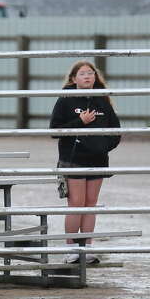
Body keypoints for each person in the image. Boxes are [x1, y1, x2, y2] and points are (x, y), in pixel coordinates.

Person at [50, 61, 121, 264]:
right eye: (82, 74)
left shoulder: (103, 101)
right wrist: (80, 122)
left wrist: (103, 146)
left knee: (90, 204)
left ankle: (87, 248)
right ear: (74, 79)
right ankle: (71, 249)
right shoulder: (65, 101)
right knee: (76, 204)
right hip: (73, 160)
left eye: (90, 73)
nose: (87, 77)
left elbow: (116, 131)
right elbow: (54, 130)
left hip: (97, 160)